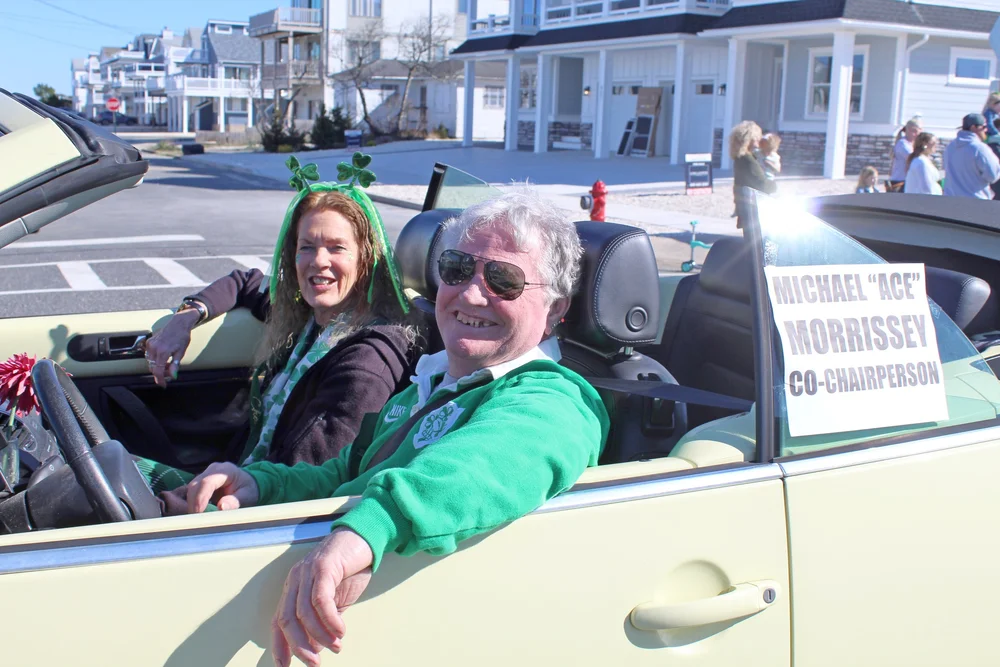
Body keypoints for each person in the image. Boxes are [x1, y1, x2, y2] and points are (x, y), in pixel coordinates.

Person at [172, 190, 610, 666]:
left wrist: (366, 532)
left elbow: (480, 467)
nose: (470, 293)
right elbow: (341, 474)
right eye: (458, 269)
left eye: (504, 280)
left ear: (553, 311)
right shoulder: (430, 382)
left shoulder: (552, 401)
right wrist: (260, 484)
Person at [139, 154, 417, 495]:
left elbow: (310, 479)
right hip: (242, 480)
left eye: (336, 248)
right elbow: (244, 282)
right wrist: (184, 318)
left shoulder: (366, 363)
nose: (319, 262)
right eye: (307, 247)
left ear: (366, 258)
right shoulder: (307, 315)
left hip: (259, 508)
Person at [943, 113, 1000, 199]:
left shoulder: (950, 147)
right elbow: (992, 175)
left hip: (951, 201)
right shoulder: (979, 148)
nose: (986, 130)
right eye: (984, 127)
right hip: (975, 202)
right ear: (973, 127)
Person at [730, 120, 776, 229]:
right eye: (757, 137)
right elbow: (763, 185)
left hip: (745, 208)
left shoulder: (739, 158)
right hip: (753, 210)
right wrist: (774, 185)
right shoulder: (747, 160)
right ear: (750, 138)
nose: (759, 139)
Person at [887, 117, 922, 192]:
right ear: (906, 130)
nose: (914, 134)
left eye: (917, 131)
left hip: (907, 181)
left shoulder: (913, 144)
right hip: (900, 182)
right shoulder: (903, 144)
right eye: (912, 131)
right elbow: (914, 159)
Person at [982, 93, 1000, 198]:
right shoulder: (988, 113)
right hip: (990, 138)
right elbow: (989, 126)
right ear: (994, 104)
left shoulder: (995, 114)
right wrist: (996, 133)